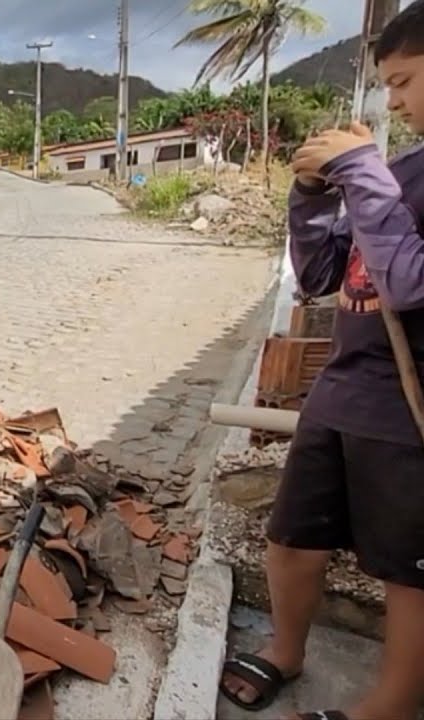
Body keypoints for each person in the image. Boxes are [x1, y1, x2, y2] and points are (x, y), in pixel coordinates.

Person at [218, 5, 424, 720]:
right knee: (292, 535)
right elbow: (321, 278)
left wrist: (362, 168)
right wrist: (309, 195)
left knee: (409, 572)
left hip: (409, 413)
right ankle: (286, 650)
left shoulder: (384, 172)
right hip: (343, 391)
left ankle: (390, 706)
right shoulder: (406, 170)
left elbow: (408, 283)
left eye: (403, 81)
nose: (392, 99)